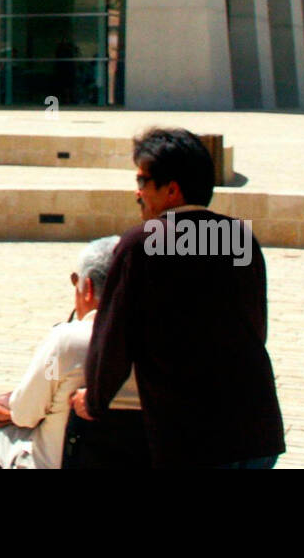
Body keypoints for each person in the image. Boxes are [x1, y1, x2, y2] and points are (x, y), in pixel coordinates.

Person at [73, 128, 285, 469]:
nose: (137, 193)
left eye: (143, 182)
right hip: (256, 429)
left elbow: (113, 340)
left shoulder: (141, 244)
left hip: (193, 440)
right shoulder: (241, 238)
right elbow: (256, 330)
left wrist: (94, 401)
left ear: (171, 189)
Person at [0, 237, 141, 470]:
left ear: (87, 288)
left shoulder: (67, 341)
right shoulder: (159, 342)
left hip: (60, 462)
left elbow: (25, 413)